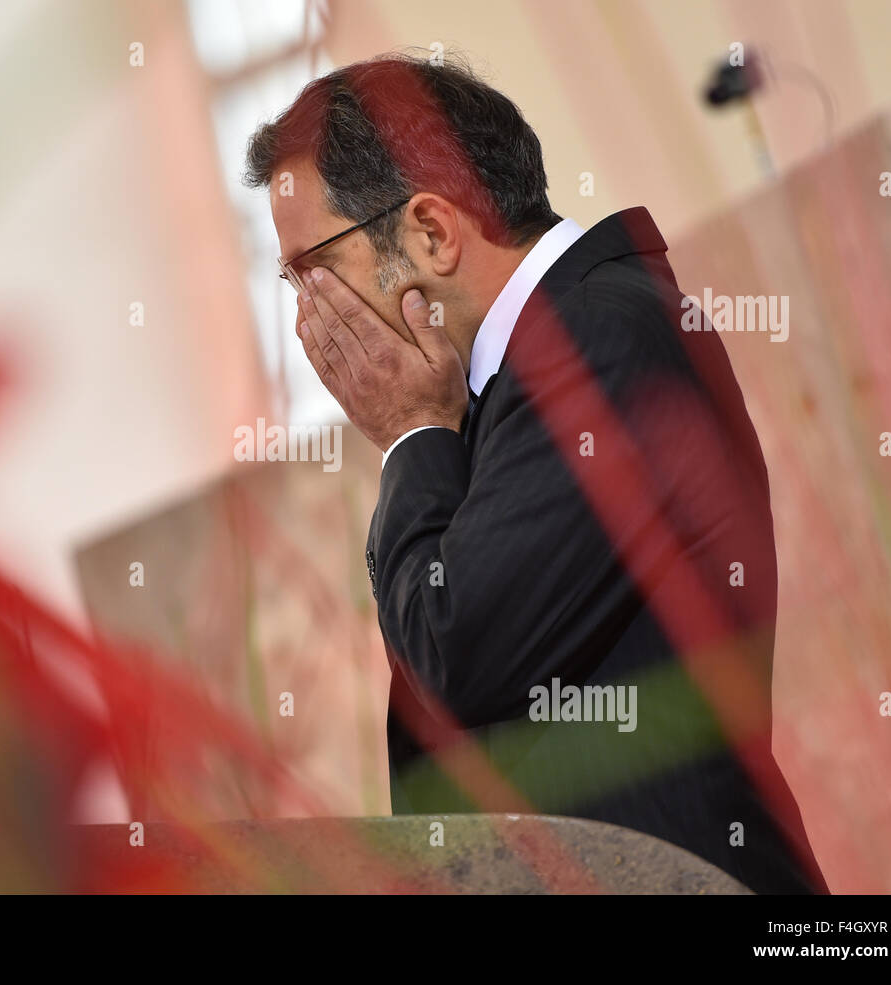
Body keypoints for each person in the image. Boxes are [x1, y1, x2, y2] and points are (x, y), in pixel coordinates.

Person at [243, 52, 827, 894]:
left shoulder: (594, 339)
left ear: (433, 233)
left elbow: (459, 654)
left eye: (311, 269)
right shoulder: (517, 371)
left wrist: (410, 433)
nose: (305, 318)